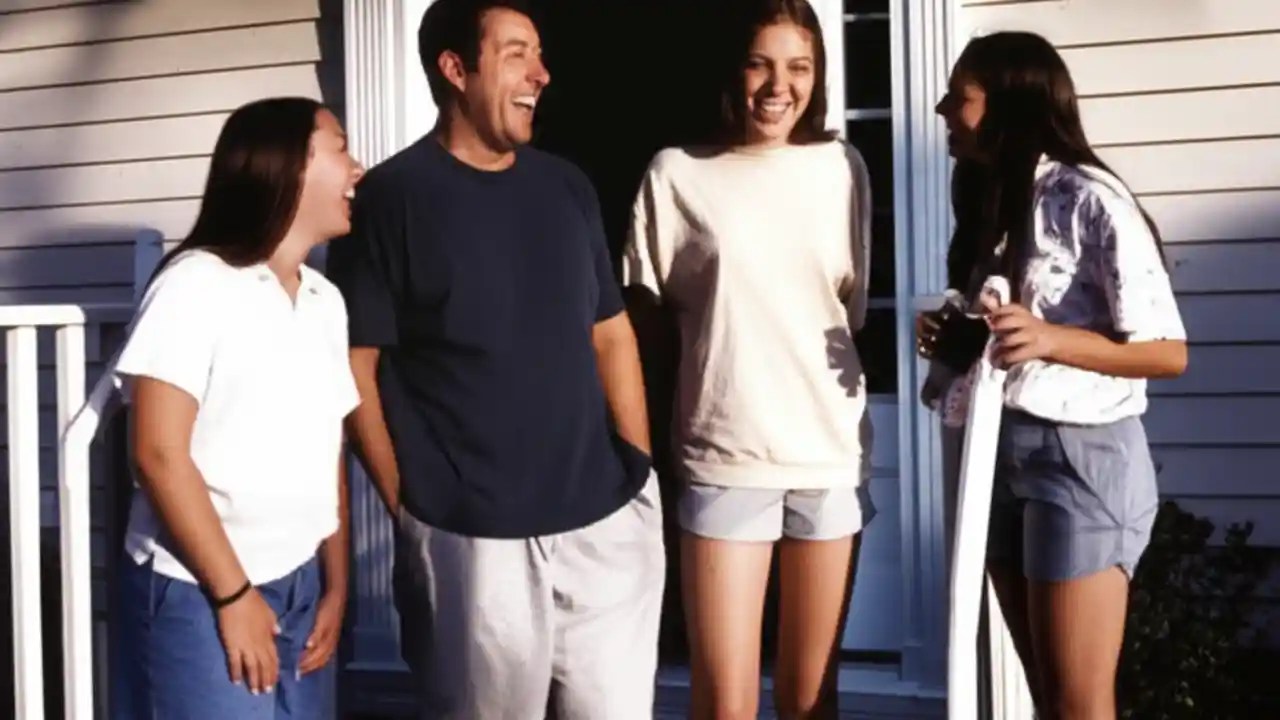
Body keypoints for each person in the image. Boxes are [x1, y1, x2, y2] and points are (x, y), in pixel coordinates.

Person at [324, 0, 663, 717]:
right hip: (471, 546)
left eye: (538, 54)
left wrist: (637, 467)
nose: (541, 73)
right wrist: (410, 507)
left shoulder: (566, 186)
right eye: (516, 53)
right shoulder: (389, 200)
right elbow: (355, 367)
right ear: (455, 69)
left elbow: (611, 331)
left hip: (605, 525)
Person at [926, 31, 1188, 719]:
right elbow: (1021, 339)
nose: (942, 108)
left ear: (1011, 102)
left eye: (961, 96)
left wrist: (1047, 338)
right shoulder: (991, 197)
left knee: (1078, 704)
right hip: (1002, 452)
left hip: (1081, 456)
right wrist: (963, 341)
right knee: (1049, 699)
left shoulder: (1088, 197)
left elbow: (1166, 351)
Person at [622, 1, 874, 716]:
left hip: (829, 455)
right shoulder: (677, 174)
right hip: (724, 453)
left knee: (811, 701)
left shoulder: (841, 168)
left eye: (799, 67)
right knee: (724, 703)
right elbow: (646, 323)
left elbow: (844, 310)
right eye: (760, 62)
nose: (778, 85)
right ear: (733, 70)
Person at [109, 97, 365, 719]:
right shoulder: (197, 285)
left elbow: (326, 447)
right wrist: (234, 597)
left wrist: (337, 587)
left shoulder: (324, 301)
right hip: (201, 589)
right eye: (339, 149)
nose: (358, 170)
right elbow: (157, 453)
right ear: (285, 168)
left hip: (301, 585)